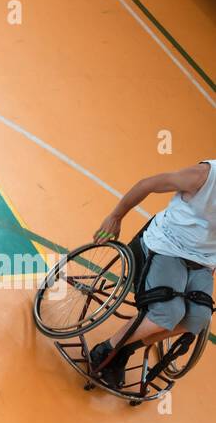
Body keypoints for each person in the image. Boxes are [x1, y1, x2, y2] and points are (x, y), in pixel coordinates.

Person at [89, 161, 215, 390]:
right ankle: (106, 350)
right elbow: (147, 184)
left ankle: (125, 349)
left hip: (202, 263)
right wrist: (116, 217)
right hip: (167, 245)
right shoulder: (203, 175)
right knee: (167, 312)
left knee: (198, 318)